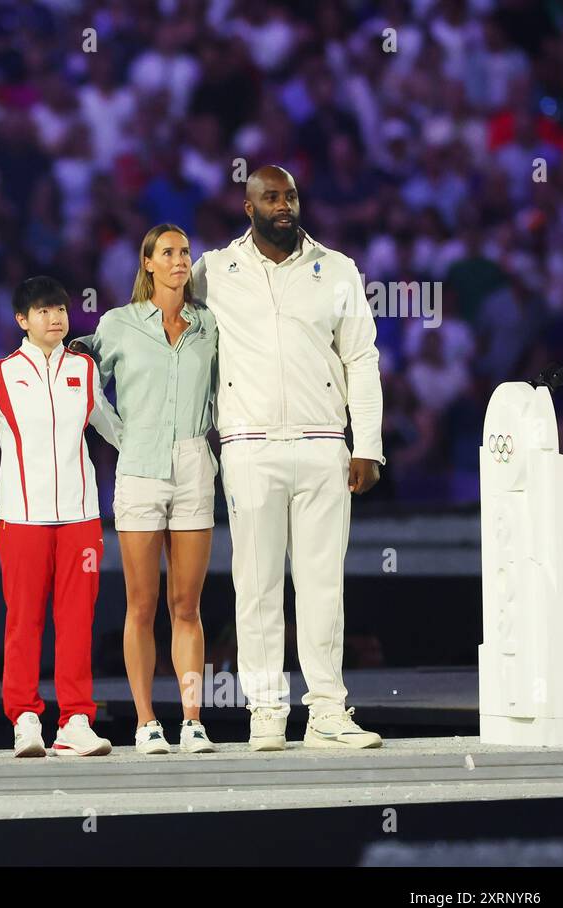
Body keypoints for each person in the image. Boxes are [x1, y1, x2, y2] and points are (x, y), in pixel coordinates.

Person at [190, 165, 385, 751]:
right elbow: (176, 333)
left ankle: (327, 710)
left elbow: (362, 360)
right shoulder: (214, 271)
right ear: (247, 207)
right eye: (270, 196)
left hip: (325, 443)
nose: (283, 204)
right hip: (248, 446)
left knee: (323, 584)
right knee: (256, 586)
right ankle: (266, 713)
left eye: (291, 195)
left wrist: (368, 445)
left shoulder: (339, 269)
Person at [71, 224, 220, 756]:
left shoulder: (209, 326)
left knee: (186, 604)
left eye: (185, 252)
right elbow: (83, 380)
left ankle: (193, 721)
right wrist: (122, 434)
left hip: (194, 463)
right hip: (138, 467)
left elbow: (227, 388)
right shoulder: (119, 323)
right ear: (148, 263)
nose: (180, 260)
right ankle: (144, 721)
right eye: (169, 253)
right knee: (142, 603)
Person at [0, 276, 122, 757]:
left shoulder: (84, 368)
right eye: (42, 311)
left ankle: (75, 719)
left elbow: (113, 427)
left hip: (80, 515)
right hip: (22, 516)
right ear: (22, 320)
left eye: (60, 309)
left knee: (78, 619)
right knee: (23, 621)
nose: (55, 318)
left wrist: (160, 457)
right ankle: (25, 719)